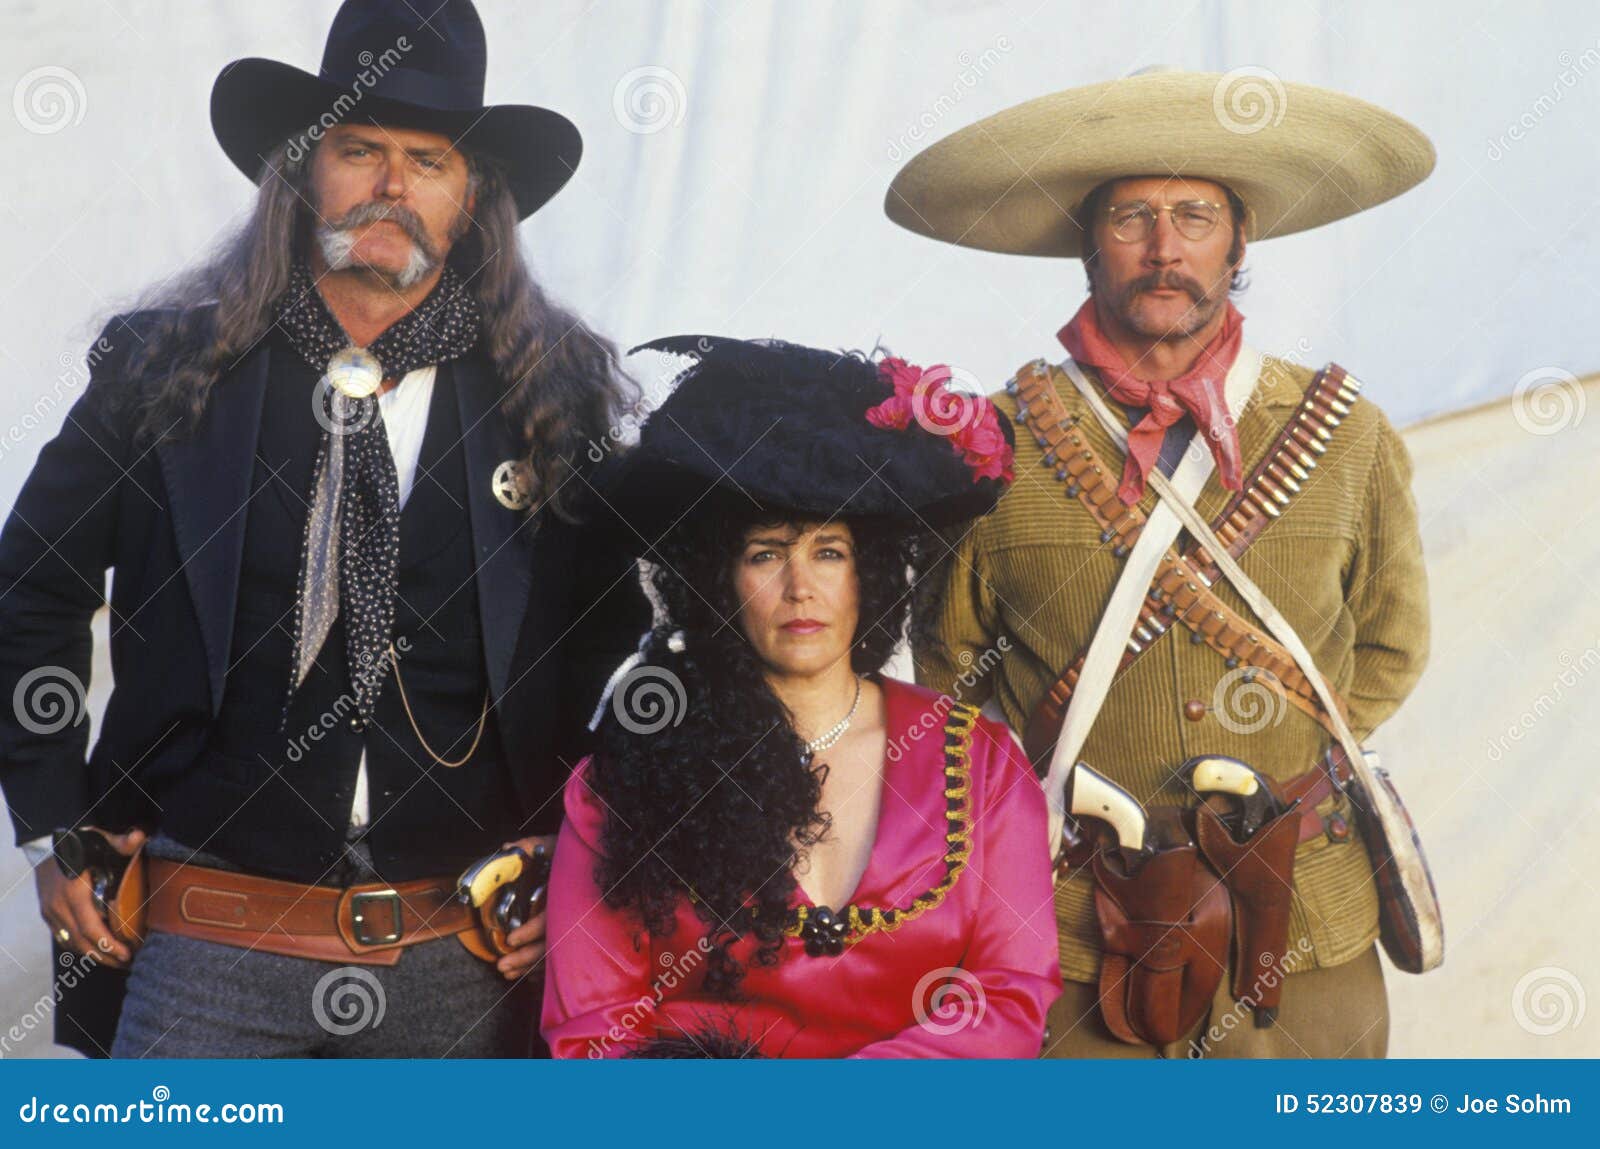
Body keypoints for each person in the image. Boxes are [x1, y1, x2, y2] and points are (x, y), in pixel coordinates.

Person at [0, 0, 648, 1057]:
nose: (392, 184)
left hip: (461, 947)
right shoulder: (164, 372)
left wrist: (574, 849)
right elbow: (30, 591)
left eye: (428, 159)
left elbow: (612, 640)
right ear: (303, 173)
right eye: (360, 148)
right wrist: (52, 826)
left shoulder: (554, 394)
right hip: (204, 932)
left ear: (472, 195)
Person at [887, 69, 1434, 1057]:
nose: (1165, 248)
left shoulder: (1342, 435)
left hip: (1299, 915)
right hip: (1074, 923)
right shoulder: (994, 445)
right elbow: (948, 676)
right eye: (1132, 217)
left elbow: (1393, 643)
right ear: (1087, 243)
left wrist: (1278, 774)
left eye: (1194, 216)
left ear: (1238, 242)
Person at [540, 336, 1061, 1057]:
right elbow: (591, 1029)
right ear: (717, 582)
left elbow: (1009, 996)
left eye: (828, 551)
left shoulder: (985, 765)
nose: (799, 587)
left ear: (869, 574)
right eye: (764, 553)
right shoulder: (628, 775)